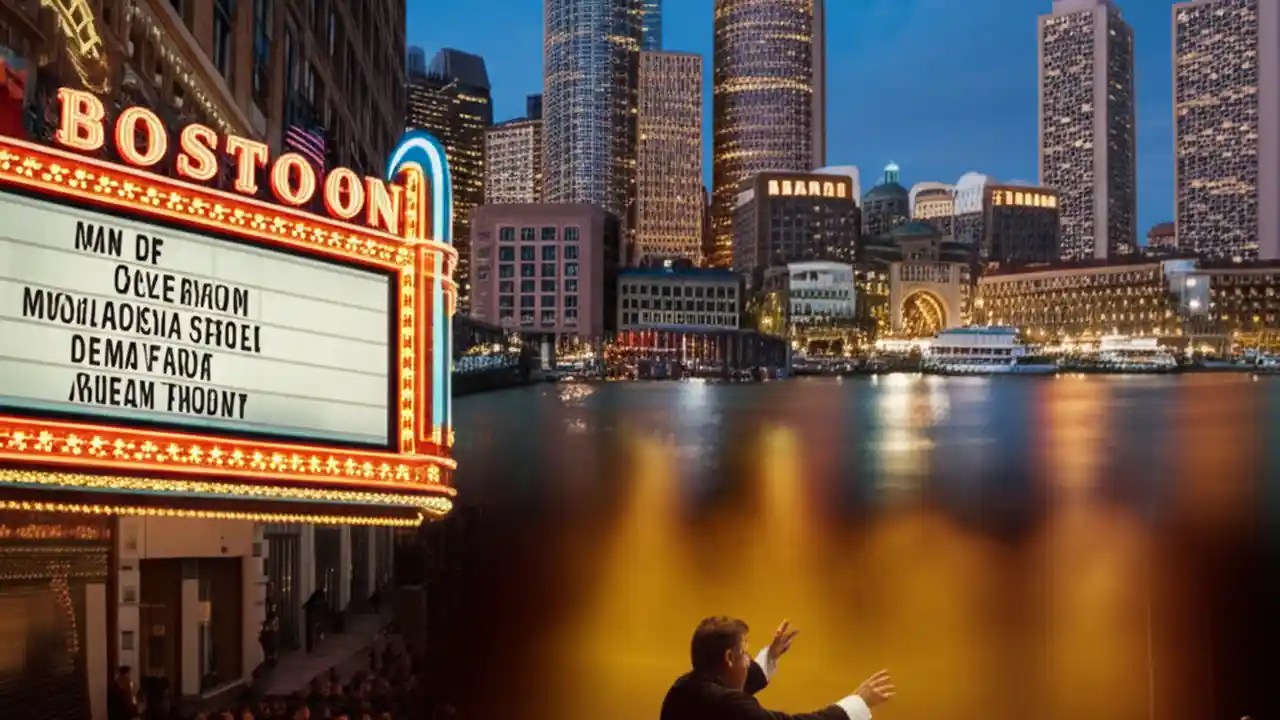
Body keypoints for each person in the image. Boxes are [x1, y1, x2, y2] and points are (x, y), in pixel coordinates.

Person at [660, 617, 895, 720]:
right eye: (744, 653)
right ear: (729, 657)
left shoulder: (682, 690)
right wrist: (857, 703)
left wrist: (770, 656)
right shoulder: (729, 705)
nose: (748, 661)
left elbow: (737, 684)